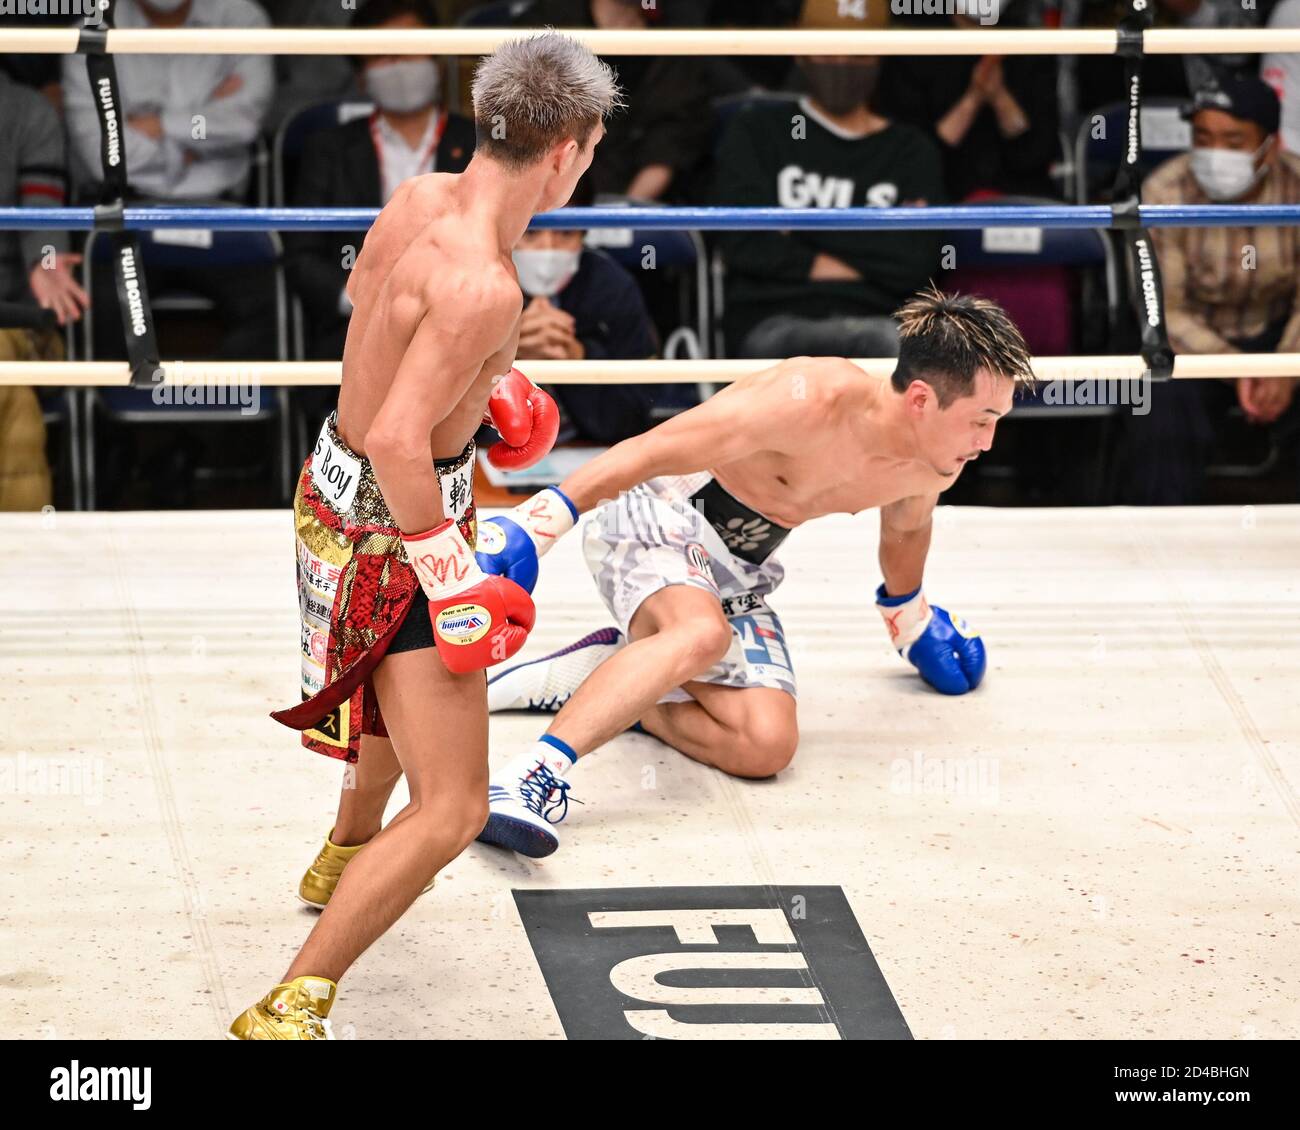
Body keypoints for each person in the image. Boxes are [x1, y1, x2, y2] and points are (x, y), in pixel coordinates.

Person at [227, 32, 620, 1040]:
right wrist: (450, 575)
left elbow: (373, 320)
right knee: (450, 807)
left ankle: (341, 854)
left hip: (333, 489)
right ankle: (291, 1000)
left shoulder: (420, 201)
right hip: (396, 530)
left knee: (396, 720)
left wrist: (484, 397)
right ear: (569, 147)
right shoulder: (487, 284)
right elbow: (405, 437)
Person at [475, 287, 1032, 858]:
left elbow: (907, 529)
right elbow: (650, 449)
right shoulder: (807, 399)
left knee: (765, 745)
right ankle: (529, 776)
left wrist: (908, 619)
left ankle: (622, 680)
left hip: (739, 569)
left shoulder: (937, 461)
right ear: (920, 399)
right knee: (699, 633)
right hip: (661, 512)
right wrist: (540, 523)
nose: (987, 443)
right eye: (981, 420)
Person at [713, 2, 945, 359]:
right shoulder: (758, 130)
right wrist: (871, 238)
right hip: (772, 323)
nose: (841, 61)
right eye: (828, 46)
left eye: (856, 51)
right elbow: (743, 242)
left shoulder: (912, 151)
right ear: (800, 48)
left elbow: (914, 260)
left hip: (883, 324)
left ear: (881, 55)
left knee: (889, 347)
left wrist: (797, 230)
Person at [1120, 75, 1300, 505]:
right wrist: (1240, 368)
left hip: (1281, 334)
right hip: (1192, 341)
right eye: (1204, 137)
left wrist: (1286, 367)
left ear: (1270, 147)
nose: (1215, 152)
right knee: (1156, 397)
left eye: (1233, 140)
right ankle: (1164, 542)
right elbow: (1165, 310)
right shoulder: (1164, 192)